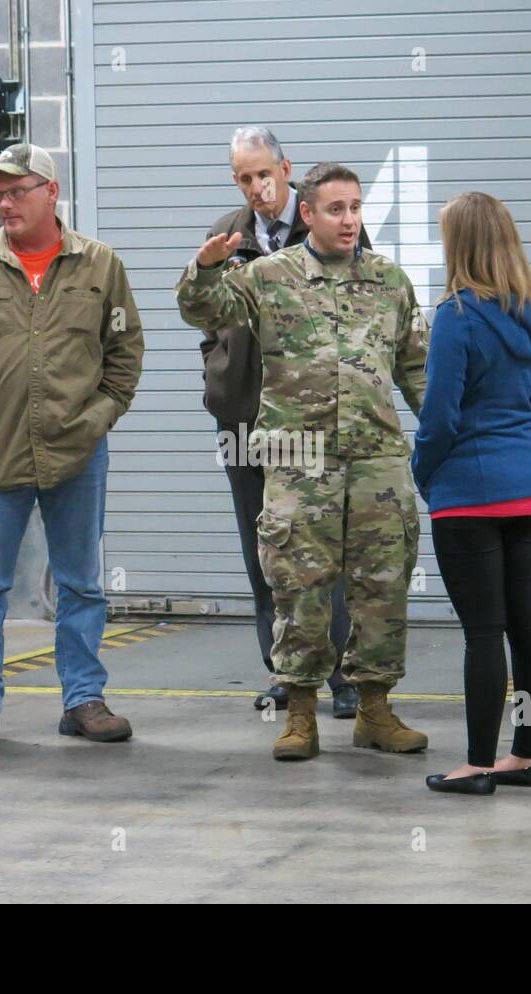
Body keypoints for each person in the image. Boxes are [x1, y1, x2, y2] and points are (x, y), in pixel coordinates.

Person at [176, 162, 429, 762]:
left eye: (356, 208)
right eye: (336, 209)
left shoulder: (389, 279)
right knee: (298, 587)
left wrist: (449, 431)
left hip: (377, 460)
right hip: (298, 459)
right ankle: (300, 714)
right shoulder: (268, 276)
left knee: (381, 587)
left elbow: (416, 366)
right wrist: (206, 267)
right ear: (308, 213)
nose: (349, 220)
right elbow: (201, 310)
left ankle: (374, 709)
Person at [0, 144, 144, 750]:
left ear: (51, 191)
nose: (5, 201)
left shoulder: (100, 266)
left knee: (81, 584)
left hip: (77, 454)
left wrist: (98, 417)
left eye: (18, 190)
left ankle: (83, 700)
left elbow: (125, 355)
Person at [201, 126, 372, 718]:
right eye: (244, 178)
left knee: (327, 551)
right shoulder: (226, 236)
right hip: (245, 420)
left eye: (263, 174)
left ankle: (345, 678)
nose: (256, 187)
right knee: (264, 552)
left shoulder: (325, 220)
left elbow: (361, 310)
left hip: (316, 419)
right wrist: (220, 371)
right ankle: (286, 676)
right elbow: (209, 319)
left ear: (285, 167)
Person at [414, 192, 531, 797]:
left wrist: (427, 473)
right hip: (528, 492)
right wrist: (511, 449)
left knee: (482, 631)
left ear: (461, 243)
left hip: (467, 498)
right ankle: (524, 756)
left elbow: (439, 416)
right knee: (527, 626)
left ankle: (475, 764)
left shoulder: (455, 315)